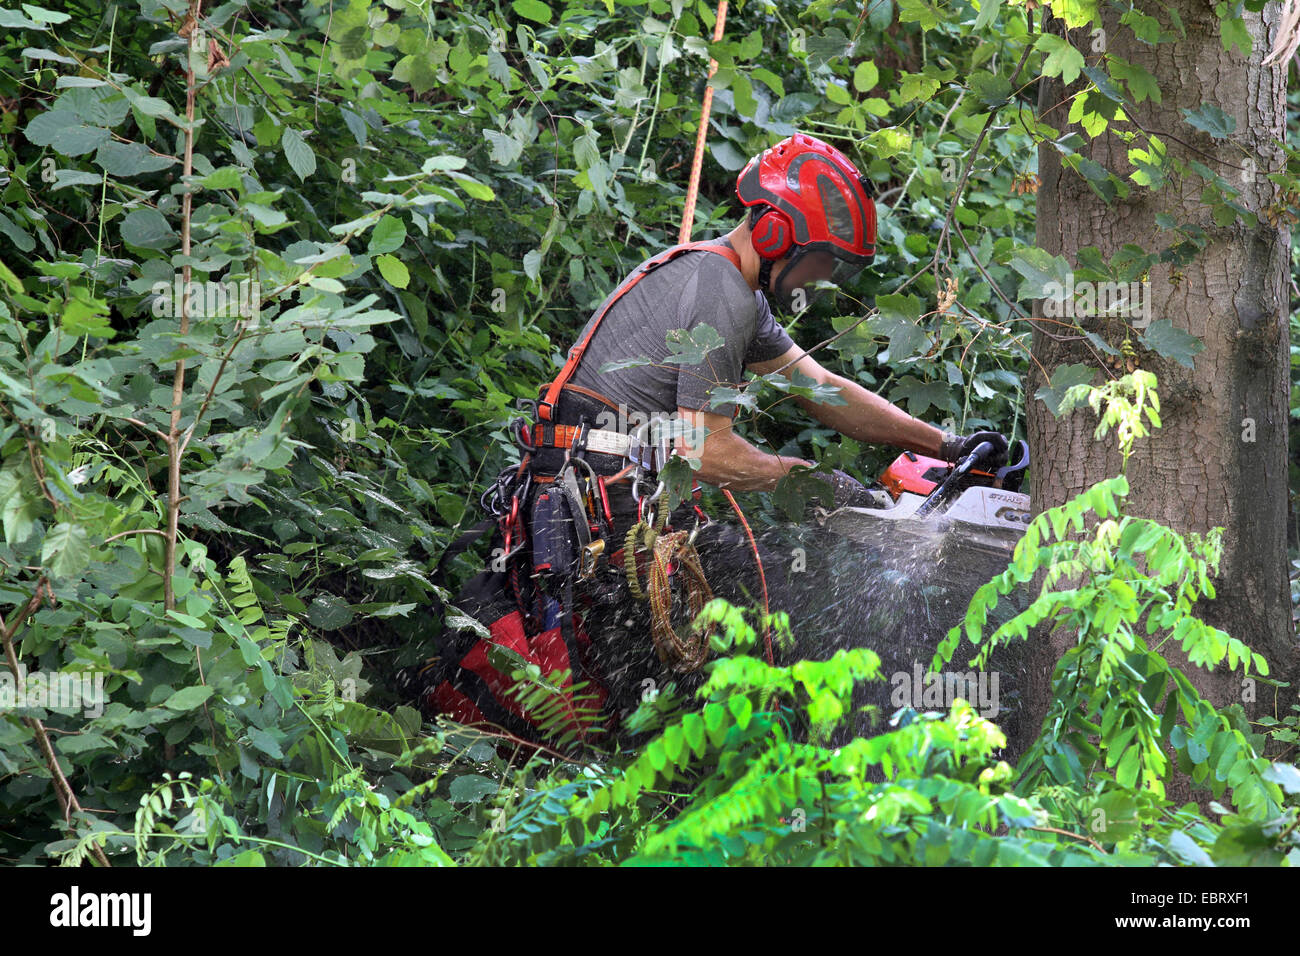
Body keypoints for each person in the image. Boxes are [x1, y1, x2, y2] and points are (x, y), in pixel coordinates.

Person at [431, 133, 1009, 739]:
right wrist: (823, 485)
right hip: (597, 515)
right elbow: (704, 452)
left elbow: (824, 391)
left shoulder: (733, 289)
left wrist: (943, 445)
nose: (824, 275)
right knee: (779, 589)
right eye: (820, 258)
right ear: (775, 234)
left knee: (740, 614)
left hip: (615, 506)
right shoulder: (720, 288)